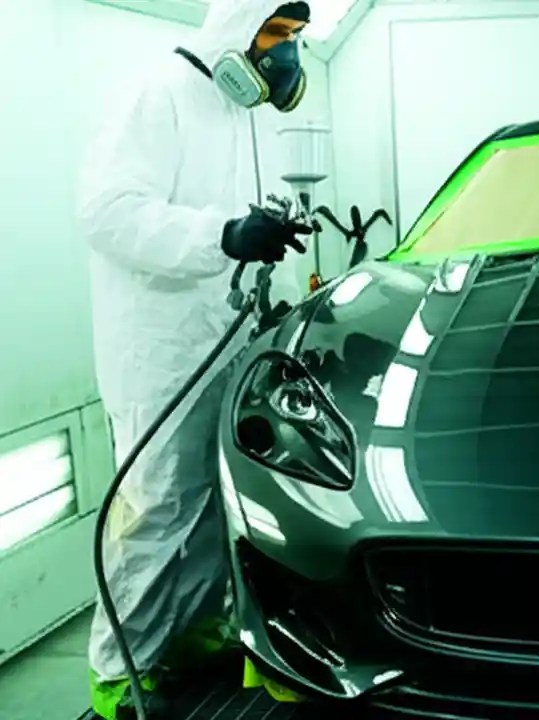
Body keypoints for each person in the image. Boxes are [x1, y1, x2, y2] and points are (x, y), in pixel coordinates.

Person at [76, 1, 315, 718]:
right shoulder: (161, 93)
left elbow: (238, 215)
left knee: (217, 497)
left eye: (297, 39)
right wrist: (225, 234)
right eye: (276, 35)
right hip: (159, 348)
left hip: (224, 338)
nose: (286, 54)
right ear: (236, 30)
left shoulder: (241, 112)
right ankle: (120, 667)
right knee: (152, 508)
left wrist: (264, 231)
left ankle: (195, 631)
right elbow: (106, 210)